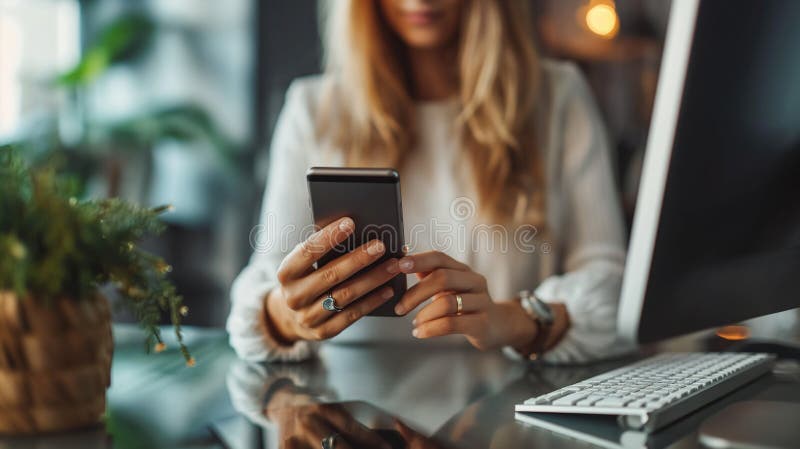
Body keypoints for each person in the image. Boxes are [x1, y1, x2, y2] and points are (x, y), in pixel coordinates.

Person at [228, 0, 628, 363]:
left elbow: (615, 284)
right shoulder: (313, 109)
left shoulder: (557, 98)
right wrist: (284, 316)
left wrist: (516, 319)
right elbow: (263, 284)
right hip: (352, 411)